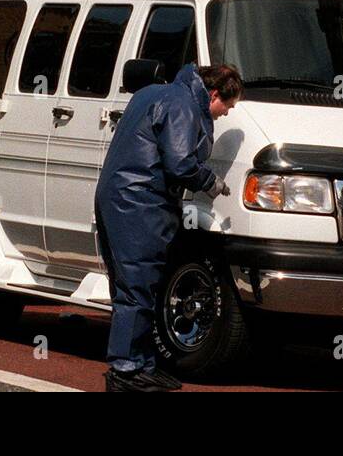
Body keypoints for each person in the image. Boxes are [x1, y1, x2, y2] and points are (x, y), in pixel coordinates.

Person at [95, 62, 242, 392]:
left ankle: (142, 363)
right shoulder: (183, 105)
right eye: (227, 106)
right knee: (137, 285)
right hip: (141, 201)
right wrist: (211, 182)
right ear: (214, 94)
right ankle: (125, 370)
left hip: (118, 195)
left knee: (136, 284)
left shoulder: (152, 92)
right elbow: (179, 163)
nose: (226, 114)